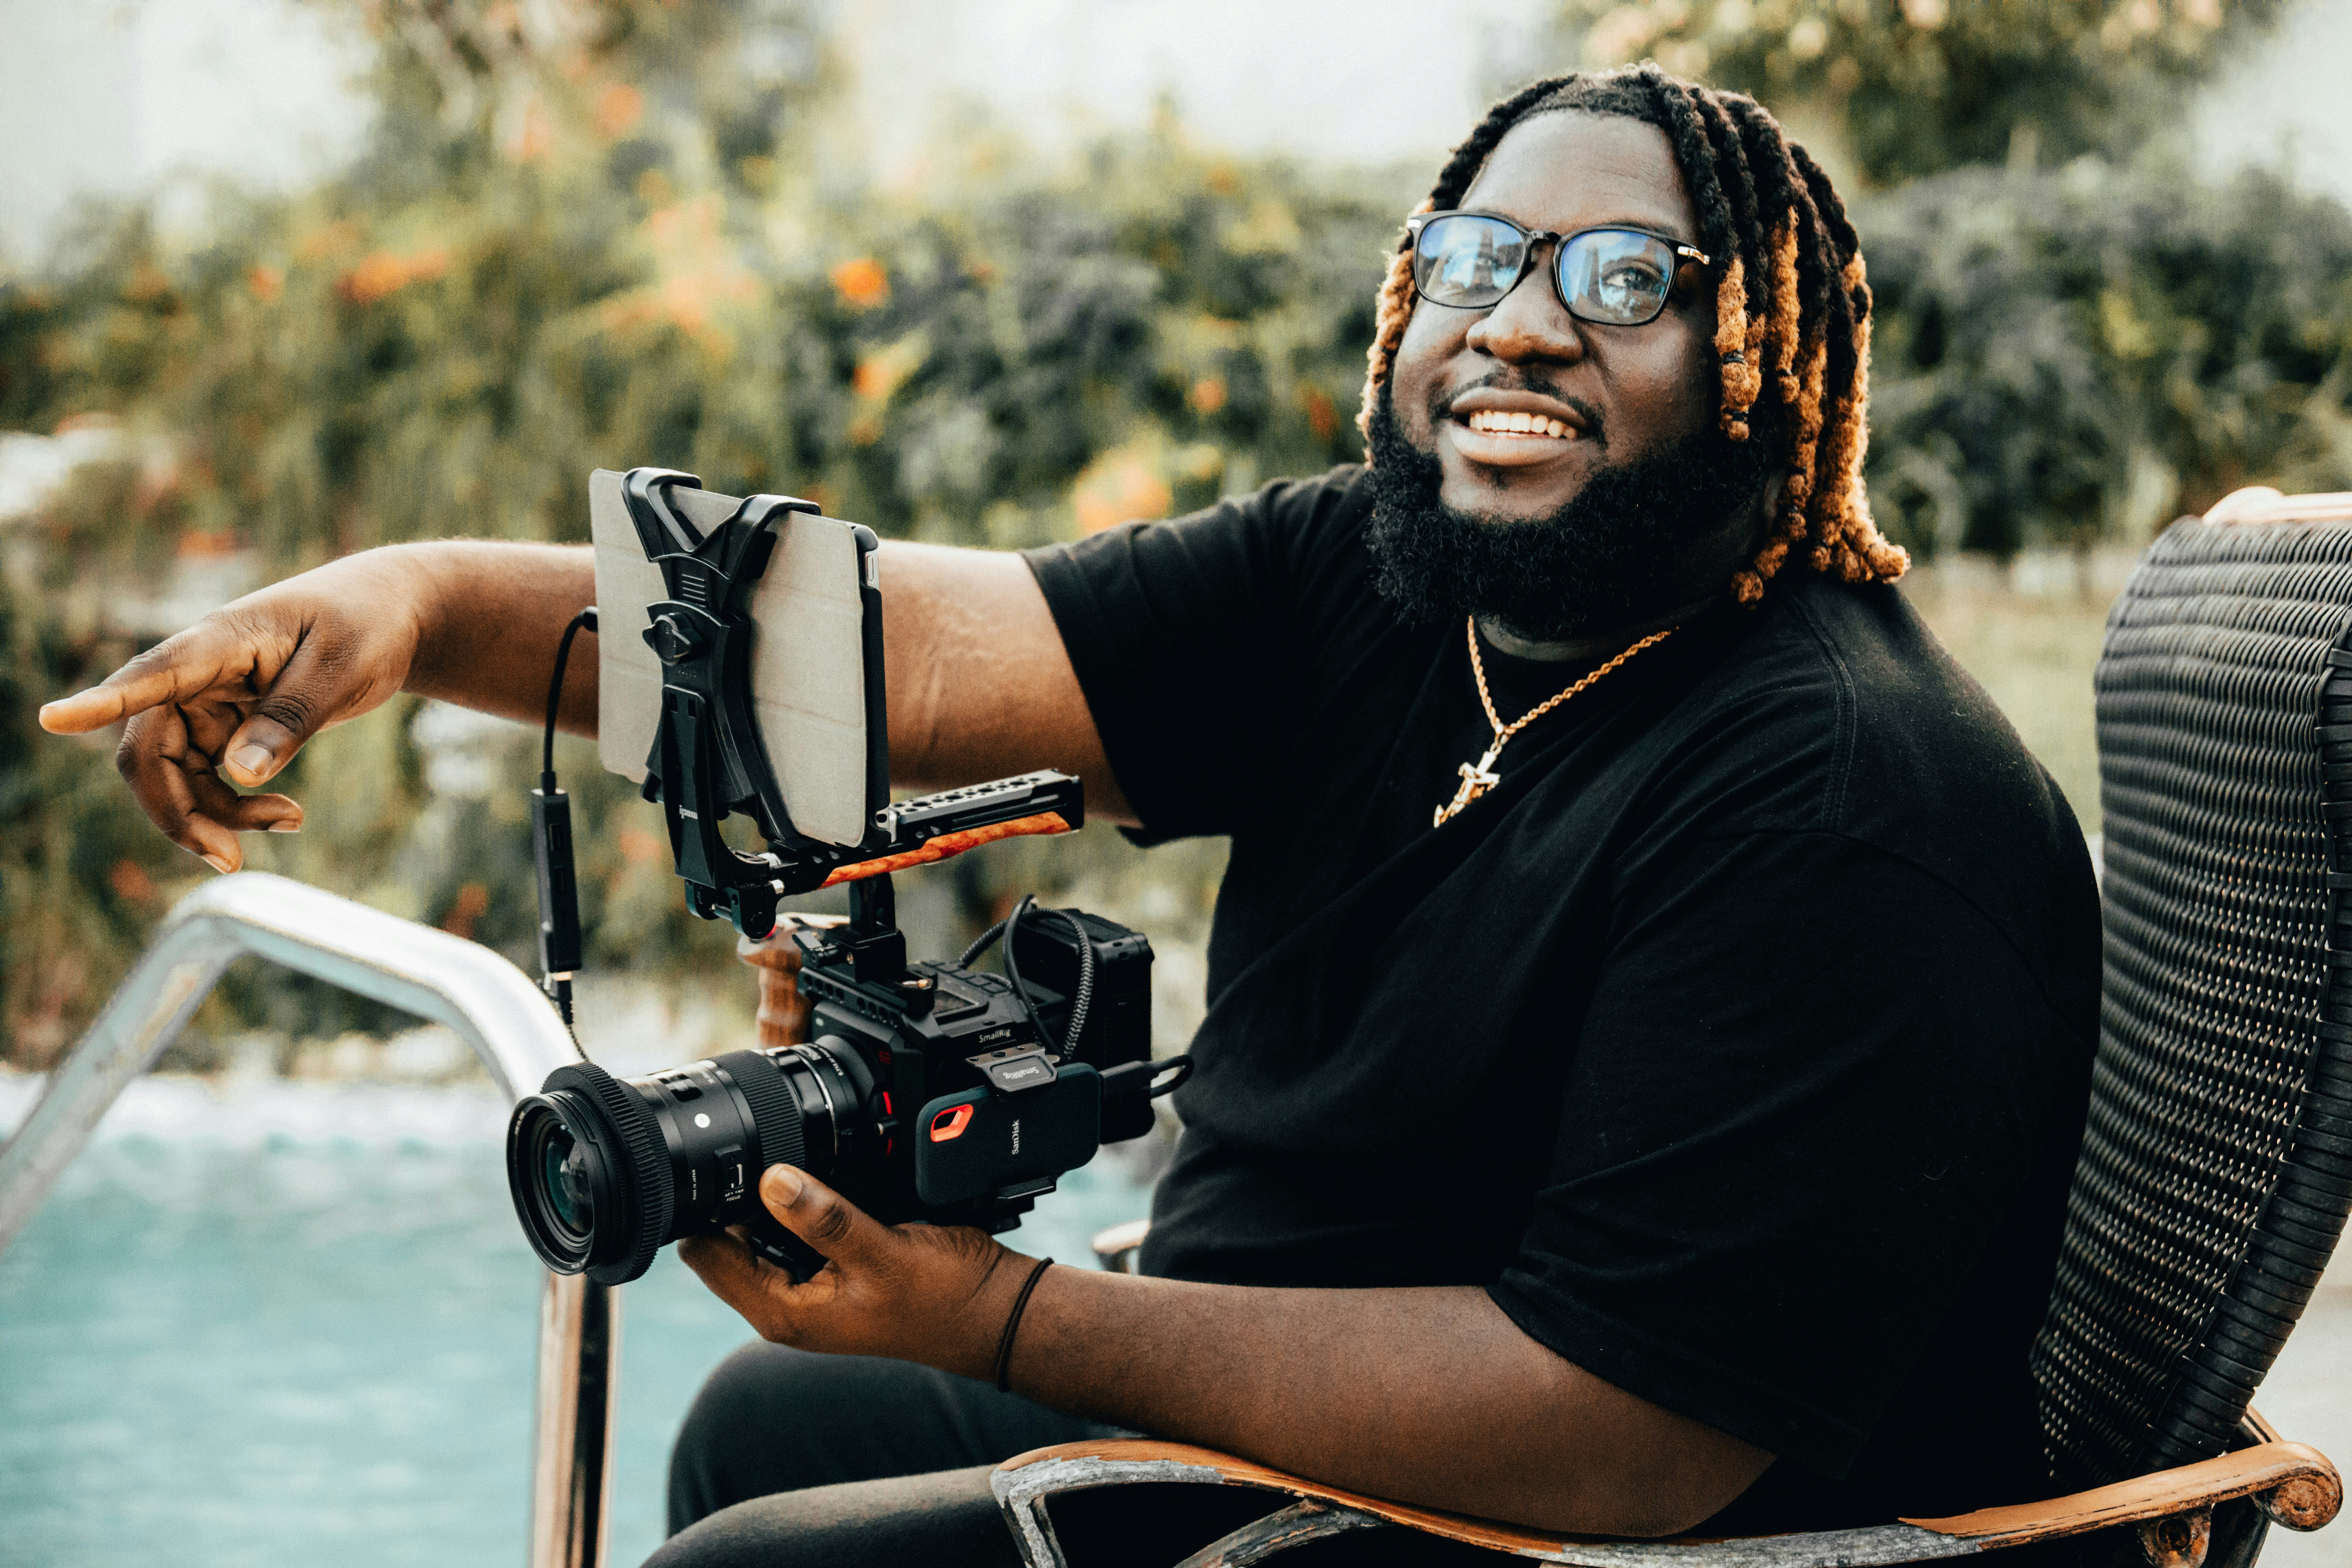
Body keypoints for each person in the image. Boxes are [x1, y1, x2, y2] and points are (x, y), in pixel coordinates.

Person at [40, 66, 2099, 1567]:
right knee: (774, 1419)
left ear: (1767, 362)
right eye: (1477, 256)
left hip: (1605, 1530)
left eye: (1625, 276)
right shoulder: (1376, 587)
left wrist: (1013, 1315)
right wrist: (407, 606)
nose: (1519, 321)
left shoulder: (1836, 798)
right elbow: (881, 659)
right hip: (1326, 1404)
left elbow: (1625, 1438)